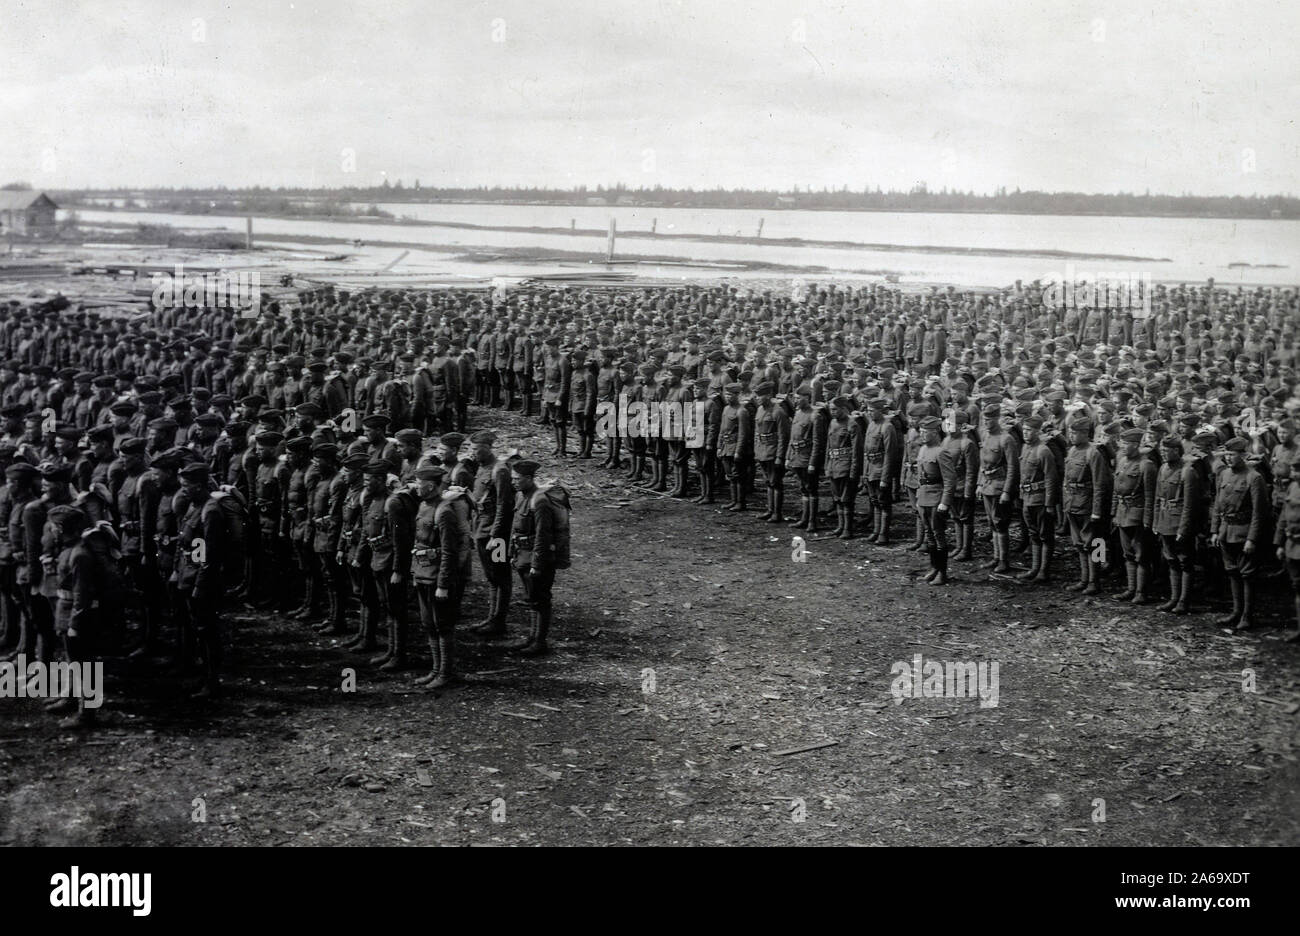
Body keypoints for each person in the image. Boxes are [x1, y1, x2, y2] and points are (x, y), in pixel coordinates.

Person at [1210, 436, 1269, 630]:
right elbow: (1218, 505)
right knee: (1232, 573)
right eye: (1226, 454)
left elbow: (1259, 513)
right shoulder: (1224, 474)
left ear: (1243, 455)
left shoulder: (1254, 477)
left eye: (1232, 454)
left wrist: (1252, 538)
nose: (1228, 458)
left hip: (1244, 534)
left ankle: (1247, 615)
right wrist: (1215, 530)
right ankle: (1236, 611)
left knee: (1247, 575)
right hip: (1226, 531)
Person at [509, 460, 564, 656]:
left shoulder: (539, 501)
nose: (513, 482)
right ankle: (532, 637)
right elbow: (514, 528)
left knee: (541, 599)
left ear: (529, 478)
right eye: (512, 478)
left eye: (517, 479)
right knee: (531, 598)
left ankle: (540, 642)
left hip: (537, 558)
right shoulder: (520, 496)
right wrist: (511, 553)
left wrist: (537, 563)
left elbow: (543, 535)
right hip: (523, 554)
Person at [468, 430, 515, 638]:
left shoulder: (500, 470)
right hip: (481, 527)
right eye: (472, 449)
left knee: (500, 574)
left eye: (477, 450)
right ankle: (492, 617)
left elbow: (504, 505)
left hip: (494, 531)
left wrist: (496, 535)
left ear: (488, 448)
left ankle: (499, 621)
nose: (473, 453)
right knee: (491, 575)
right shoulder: (482, 467)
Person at [1061, 417, 1113, 595]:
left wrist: (1097, 511)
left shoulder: (1094, 453)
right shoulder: (1072, 451)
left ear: (1085, 433)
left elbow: (1100, 485)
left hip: (1088, 505)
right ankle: (1084, 579)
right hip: (1073, 503)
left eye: (1075, 433)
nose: (1071, 436)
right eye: (1070, 432)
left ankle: (1095, 580)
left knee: (1096, 542)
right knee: (1079, 544)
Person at [1111, 427, 1157, 603]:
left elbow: (1150, 496)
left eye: (1126, 443)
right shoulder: (1122, 461)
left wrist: (1147, 520)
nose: (1122, 446)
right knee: (1127, 554)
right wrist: (1114, 512)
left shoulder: (1146, 465)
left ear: (1136, 445)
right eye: (1121, 442)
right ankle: (1131, 589)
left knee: (1141, 555)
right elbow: (1116, 490)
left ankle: (1141, 592)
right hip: (1123, 513)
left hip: (1137, 515)